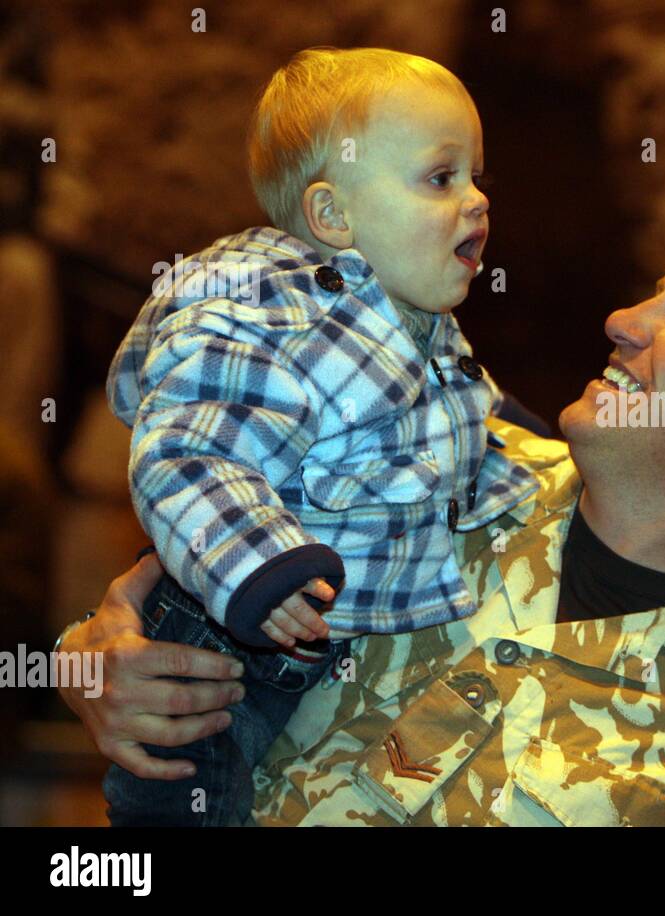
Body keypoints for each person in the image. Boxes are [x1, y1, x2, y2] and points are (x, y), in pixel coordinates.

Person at [61, 209, 665, 826]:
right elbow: (150, 601)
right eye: (654, 292)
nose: (623, 318)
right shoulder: (421, 452)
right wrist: (95, 669)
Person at [98, 47, 537, 826]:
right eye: (442, 178)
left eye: (478, 177)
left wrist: (530, 461)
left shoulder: (418, 319)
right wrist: (261, 568)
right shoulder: (262, 314)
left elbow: (473, 416)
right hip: (229, 633)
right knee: (192, 796)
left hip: (329, 647)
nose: (476, 201)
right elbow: (187, 453)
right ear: (334, 216)